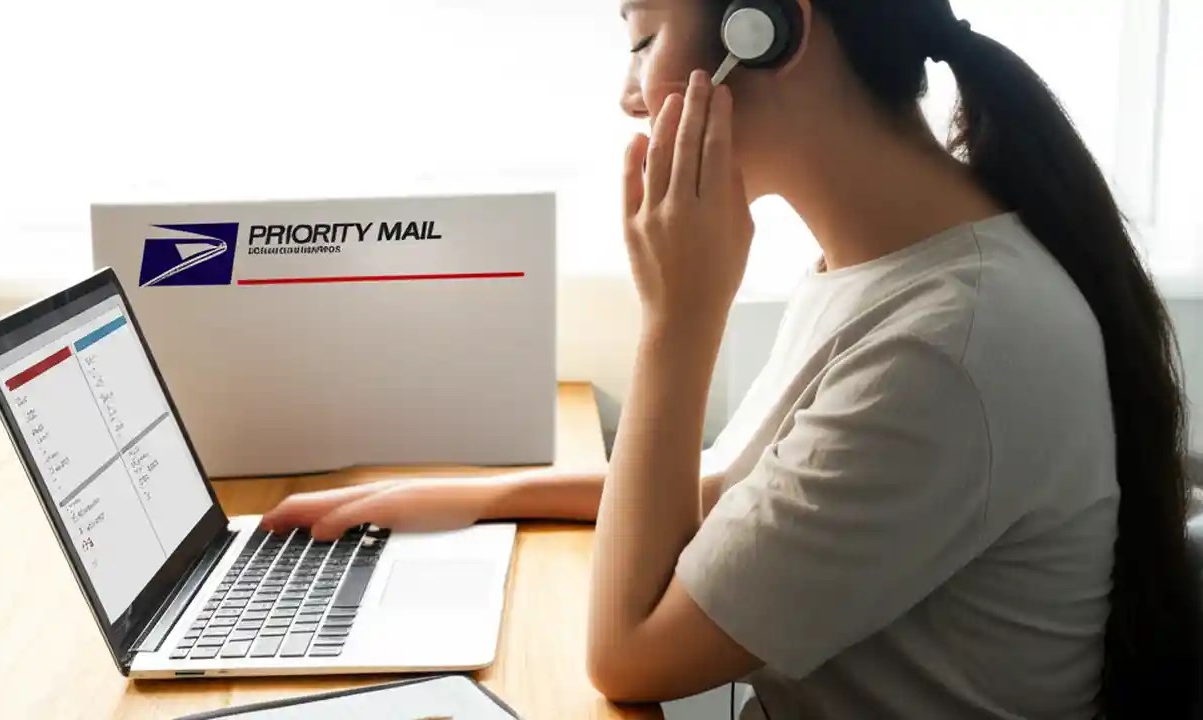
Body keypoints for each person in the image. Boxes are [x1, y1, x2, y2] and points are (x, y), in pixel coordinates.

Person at [262, 0, 1201, 716]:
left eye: (640, 39)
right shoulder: (881, 269)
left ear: (768, 33)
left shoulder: (949, 341)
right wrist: (470, 498)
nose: (628, 94)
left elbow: (628, 655)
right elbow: (734, 491)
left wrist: (679, 317)